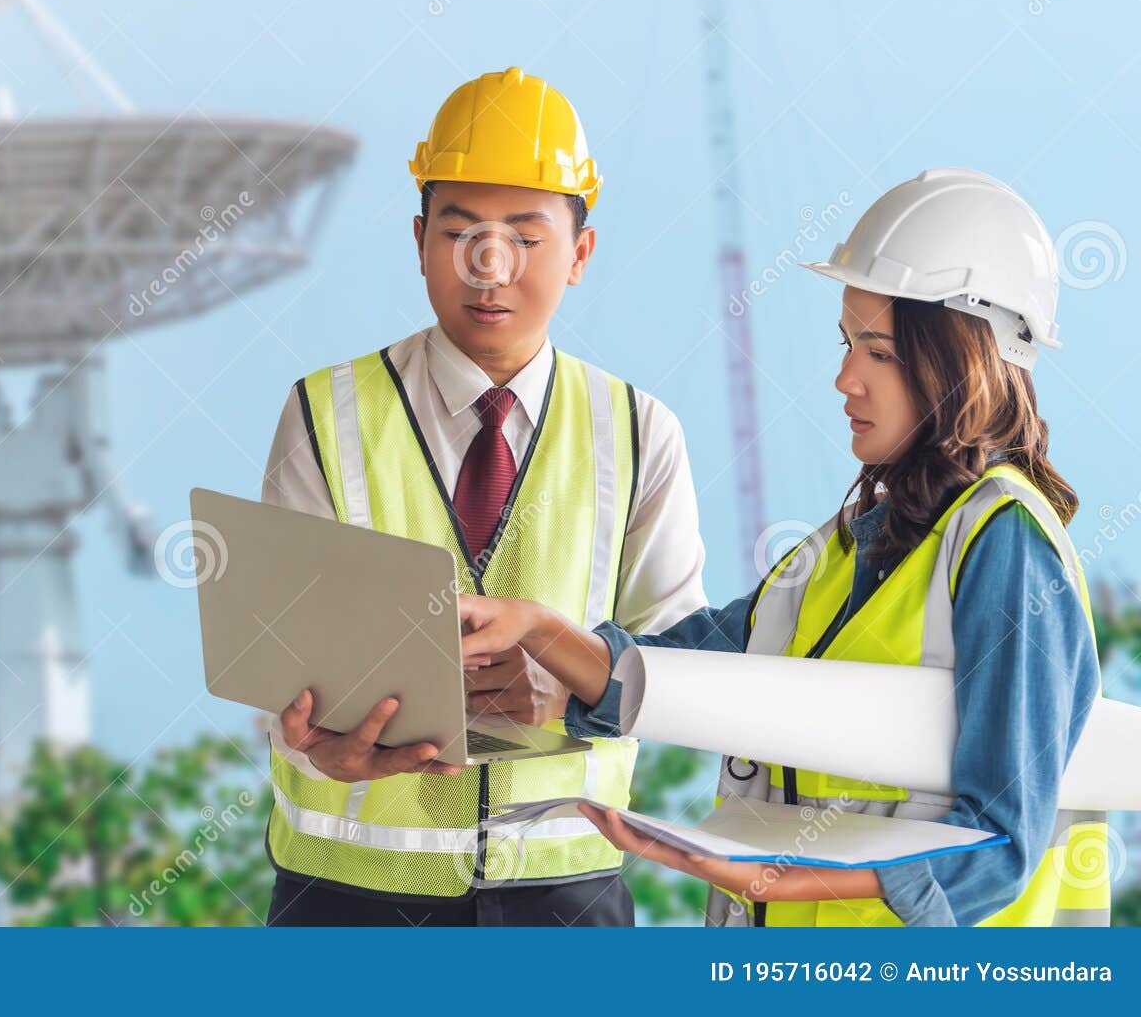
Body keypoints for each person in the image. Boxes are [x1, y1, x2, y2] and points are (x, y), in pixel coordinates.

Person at [459, 167, 1110, 927]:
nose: (844, 380)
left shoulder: (1008, 549)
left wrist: (787, 878)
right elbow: (683, 670)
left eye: (880, 353)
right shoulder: (848, 547)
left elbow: (1000, 838)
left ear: (963, 360)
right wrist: (539, 632)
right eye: (847, 344)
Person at [258, 67, 709, 926]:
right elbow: (271, 660)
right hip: (347, 901)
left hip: (566, 901)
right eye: (461, 233)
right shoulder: (325, 413)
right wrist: (318, 751)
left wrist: (571, 696)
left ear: (580, 254)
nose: (490, 267)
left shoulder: (640, 431)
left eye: (526, 237)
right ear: (421, 241)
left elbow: (679, 668)